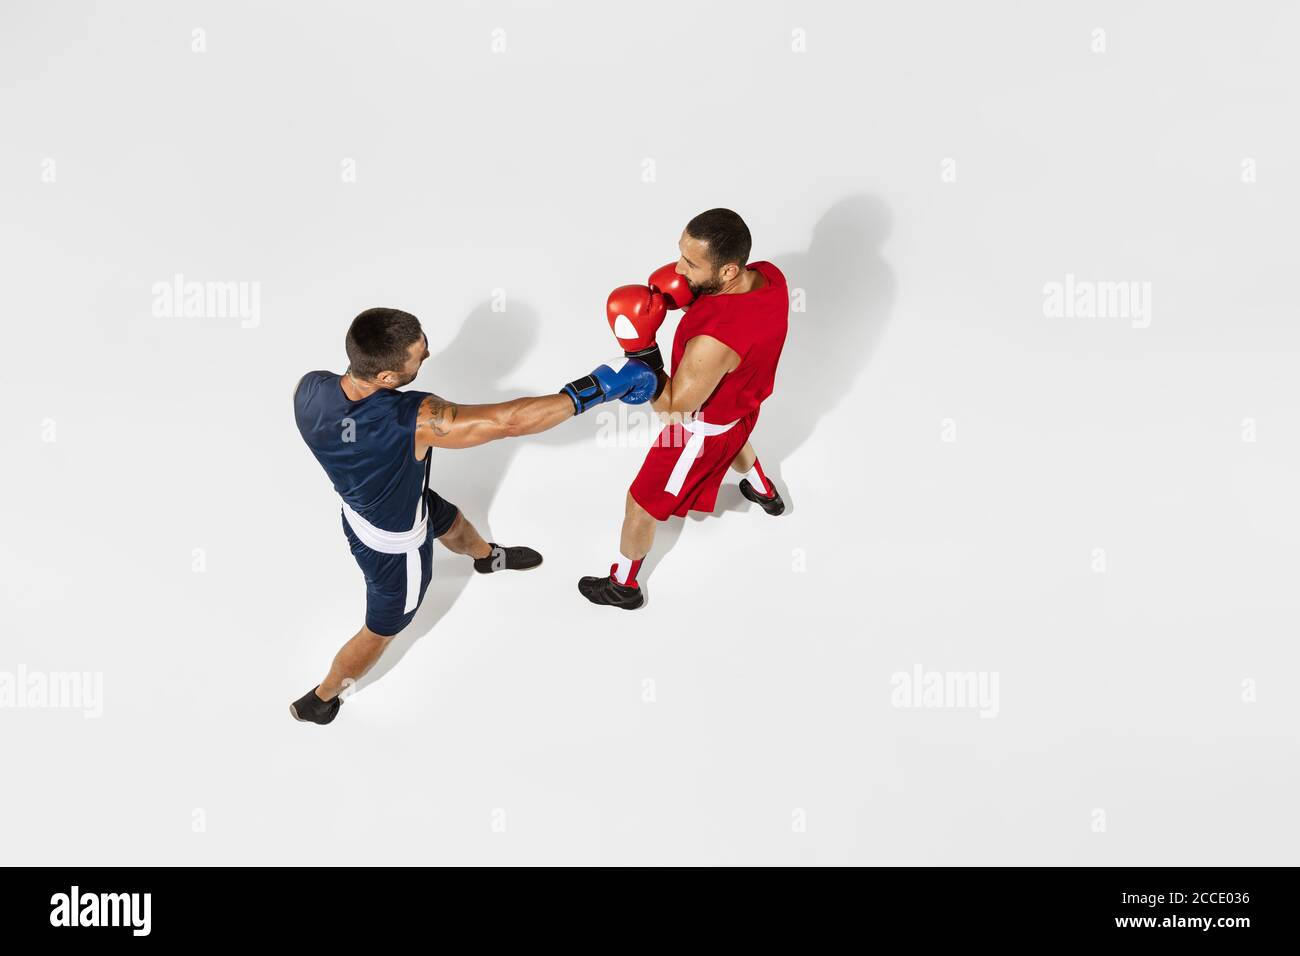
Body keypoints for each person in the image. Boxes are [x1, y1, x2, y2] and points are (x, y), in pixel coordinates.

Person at [292, 307, 654, 723]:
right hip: (393, 547)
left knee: (450, 518)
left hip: (373, 504)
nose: (427, 354)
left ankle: (486, 558)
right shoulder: (412, 419)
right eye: (419, 355)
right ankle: (322, 698)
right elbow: (509, 423)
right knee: (381, 630)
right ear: (387, 378)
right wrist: (598, 388)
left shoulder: (309, 388)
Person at [580, 208, 790, 610]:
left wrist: (641, 351)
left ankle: (623, 585)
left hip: (697, 432)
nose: (678, 269)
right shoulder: (770, 276)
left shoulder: (714, 343)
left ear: (728, 271)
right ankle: (765, 492)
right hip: (746, 403)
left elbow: (675, 409)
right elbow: (739, 317)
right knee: (737, 437)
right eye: (680, 254)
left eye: (691, 264)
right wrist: (694, 293)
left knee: (640, 504)